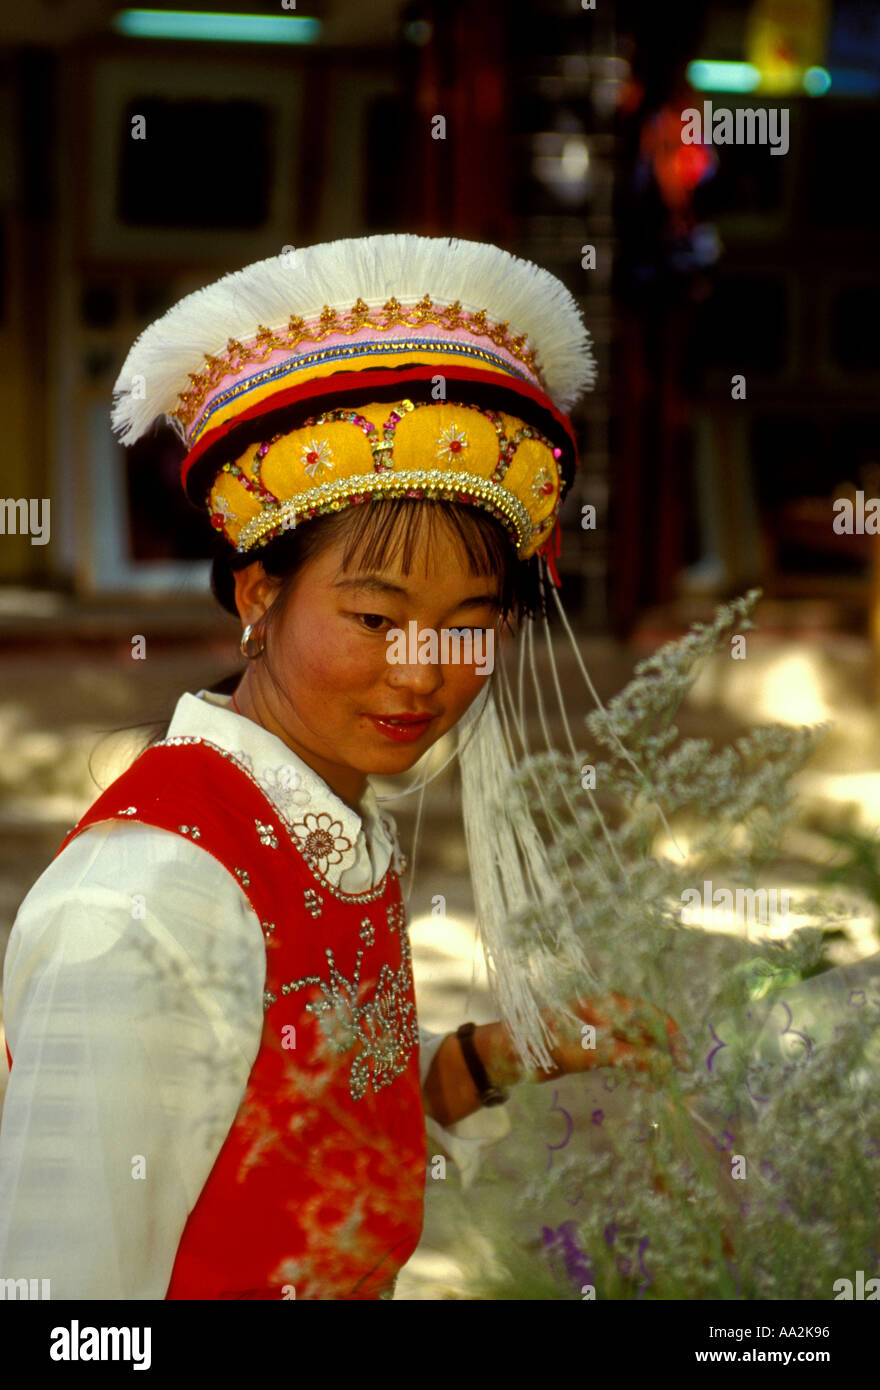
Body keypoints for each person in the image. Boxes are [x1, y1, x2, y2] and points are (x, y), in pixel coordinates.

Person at [0, 234, 682, 1300]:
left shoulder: (315, 830)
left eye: (468, 623)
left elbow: (290, 1121)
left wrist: (500, 1056)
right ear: (258, 595)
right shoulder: (146, 904)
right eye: (374, 616)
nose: (422, 674)